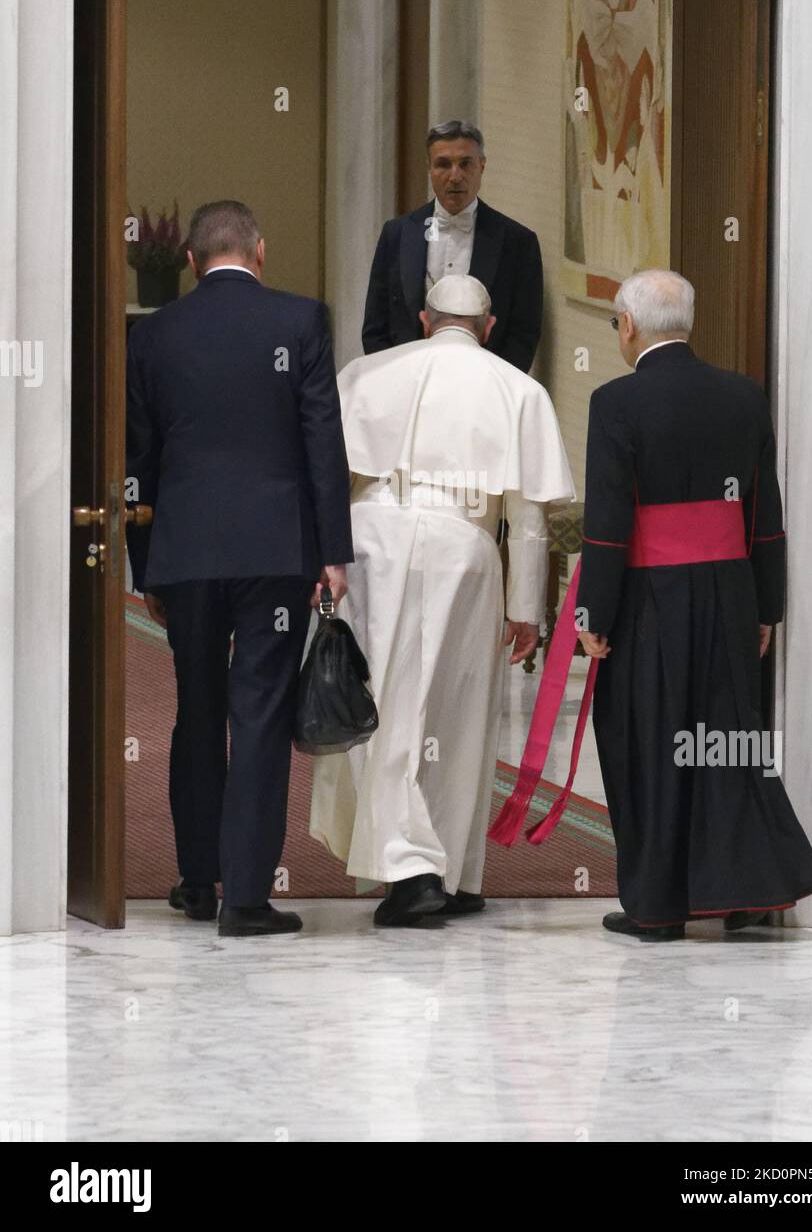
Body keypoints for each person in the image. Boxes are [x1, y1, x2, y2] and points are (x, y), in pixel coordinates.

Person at [310, 274, 574, 925]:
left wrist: (322, 556)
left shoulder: (369, 371)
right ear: (488, 326)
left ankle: (423, 870)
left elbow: (325, 472)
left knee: (380, 703)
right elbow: (531, 518)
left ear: (426, 320)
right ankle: (437, 870)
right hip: (465, 542)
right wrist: (525, 609)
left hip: (374, 537)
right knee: (456, 713)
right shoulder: (519, 390)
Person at [576, 268, 812, 940]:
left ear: (626, 327)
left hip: (649, 601)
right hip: (728, 590)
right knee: (725, 743)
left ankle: (655, 906)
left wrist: (592, 617)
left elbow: (605, 524)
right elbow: (763, 514)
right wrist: (765, 607)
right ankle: (744, 895)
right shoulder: (744, 397)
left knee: (648, 740)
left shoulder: (616, 403)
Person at [126, 200, 353, 938]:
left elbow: (140, 460)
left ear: (190, 261)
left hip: (186, 552)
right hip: (274, 550)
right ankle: (247, 897)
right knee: (258, 712)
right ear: (261, 250)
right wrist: (332, 552)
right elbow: (323, 442)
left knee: (197, 709)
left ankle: (196, 878)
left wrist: (145, 568)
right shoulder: (300, 321)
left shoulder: (153, 333)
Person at [361, 119, 543, 372]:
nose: (455, 176)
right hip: (405, 384)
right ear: (429, 168)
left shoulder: (518, 242)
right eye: (443, 164)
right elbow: (375, 326)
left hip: (484, 388)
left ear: (482, 166)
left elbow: (524, 334)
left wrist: (495, 386)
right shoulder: (397, 233)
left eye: (465, 164)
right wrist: (394, 380)